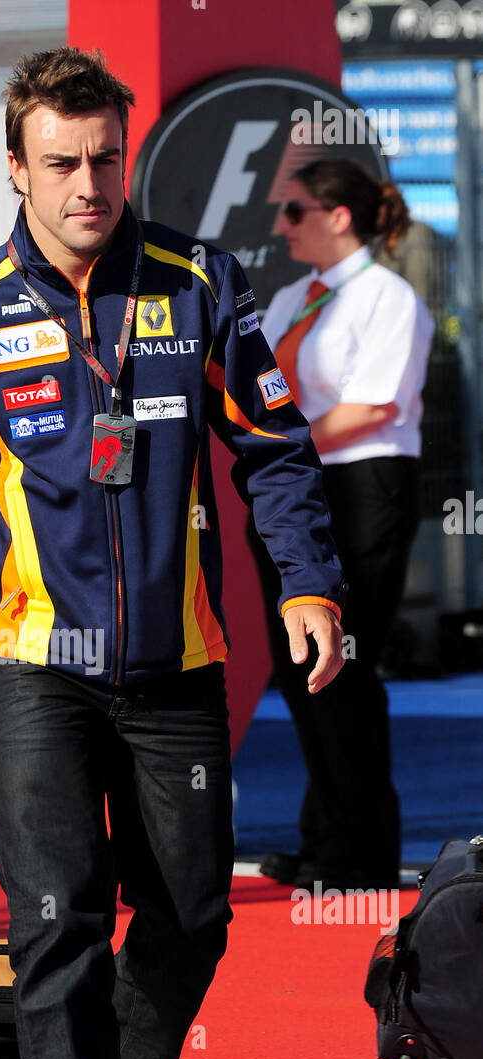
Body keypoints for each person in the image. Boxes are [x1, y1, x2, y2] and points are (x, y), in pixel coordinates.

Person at [0, 47, 345, 1059]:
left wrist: (303, 581)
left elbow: (277, 448)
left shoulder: (200, 281)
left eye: (104, 158)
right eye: (61, 163)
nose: (89, 183)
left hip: (176, 663)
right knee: (54, 918)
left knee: (193, 911)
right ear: (15, 169)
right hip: (33, 662)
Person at [253, 159, 434, 893]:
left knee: (344, 667)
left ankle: (361, 854)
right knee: (304, 670)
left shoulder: (388, 296)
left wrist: (278, 451)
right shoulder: (296, 294)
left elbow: (373, 407)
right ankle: (327, 838)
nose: (280, 225)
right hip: (300, 485)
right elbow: (256, 392)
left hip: (364, 484)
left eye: (293, 211)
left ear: (337, 217)